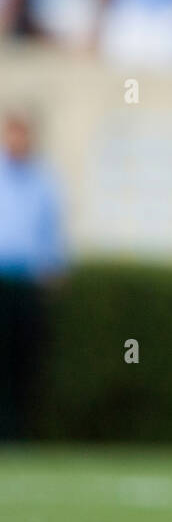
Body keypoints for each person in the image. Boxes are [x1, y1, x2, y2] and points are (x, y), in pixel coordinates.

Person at [0, 112, 66, 439]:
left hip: (26, 285)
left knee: (24, 361)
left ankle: (19, 433)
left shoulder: (43, 180)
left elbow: (51, 232)